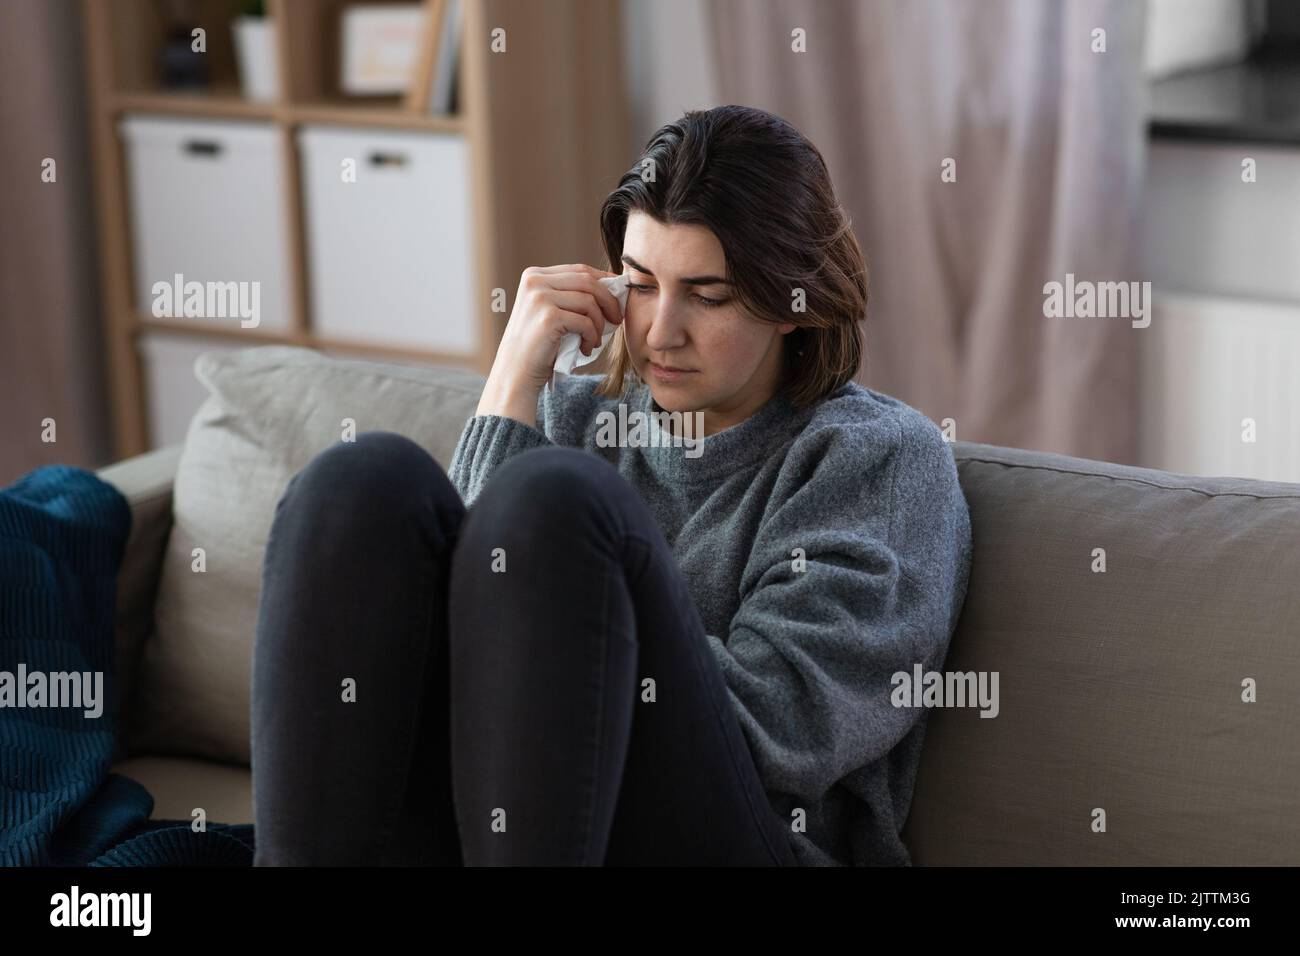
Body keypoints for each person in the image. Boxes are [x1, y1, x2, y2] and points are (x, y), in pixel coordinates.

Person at [250, 104, 972, 866]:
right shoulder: (571, 416)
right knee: (358, 483)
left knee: (553, 501)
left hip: (737, 838)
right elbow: (450, 658)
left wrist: (568, 619)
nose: (661, 331)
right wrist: (511, 381)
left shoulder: (877, 460)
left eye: (708, 294)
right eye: (641, 284)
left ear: (792, 298)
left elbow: (780, 732)